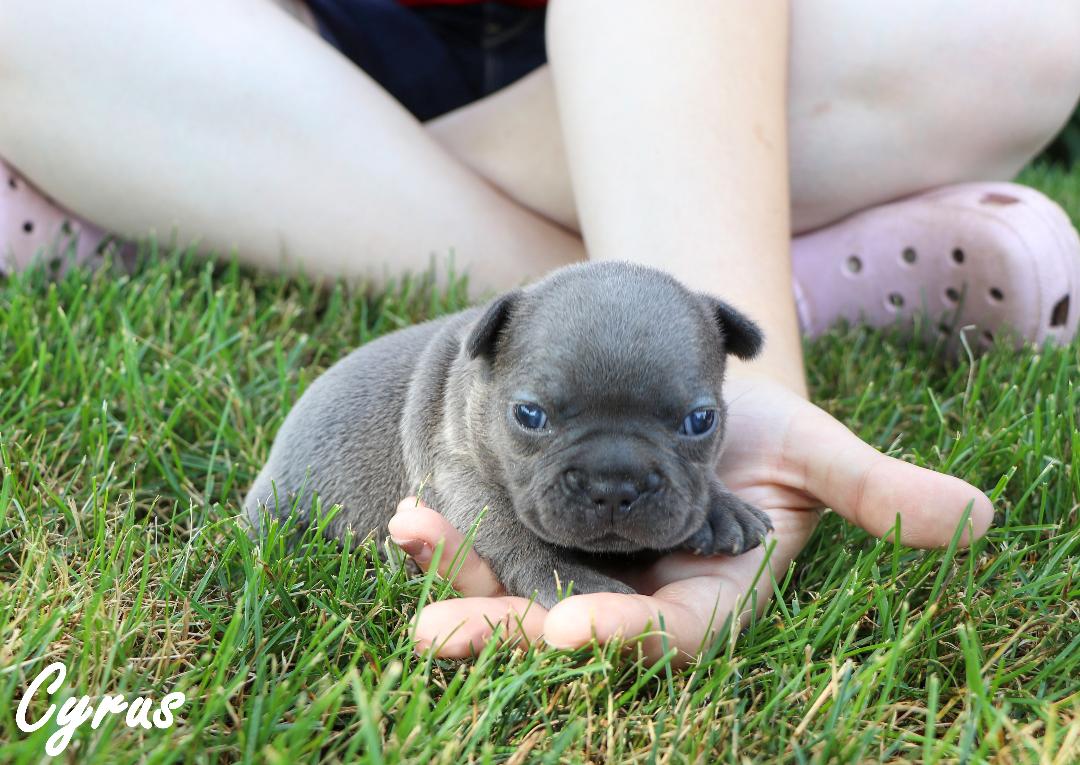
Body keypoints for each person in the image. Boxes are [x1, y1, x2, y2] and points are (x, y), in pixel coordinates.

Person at [2, 1, 1078, 663]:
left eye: (692, 418)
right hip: (310, 47)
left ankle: (182, 202)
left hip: (670, 65)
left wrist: (752, 414)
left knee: (1028, 27)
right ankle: (778, 270)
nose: (612, 489)